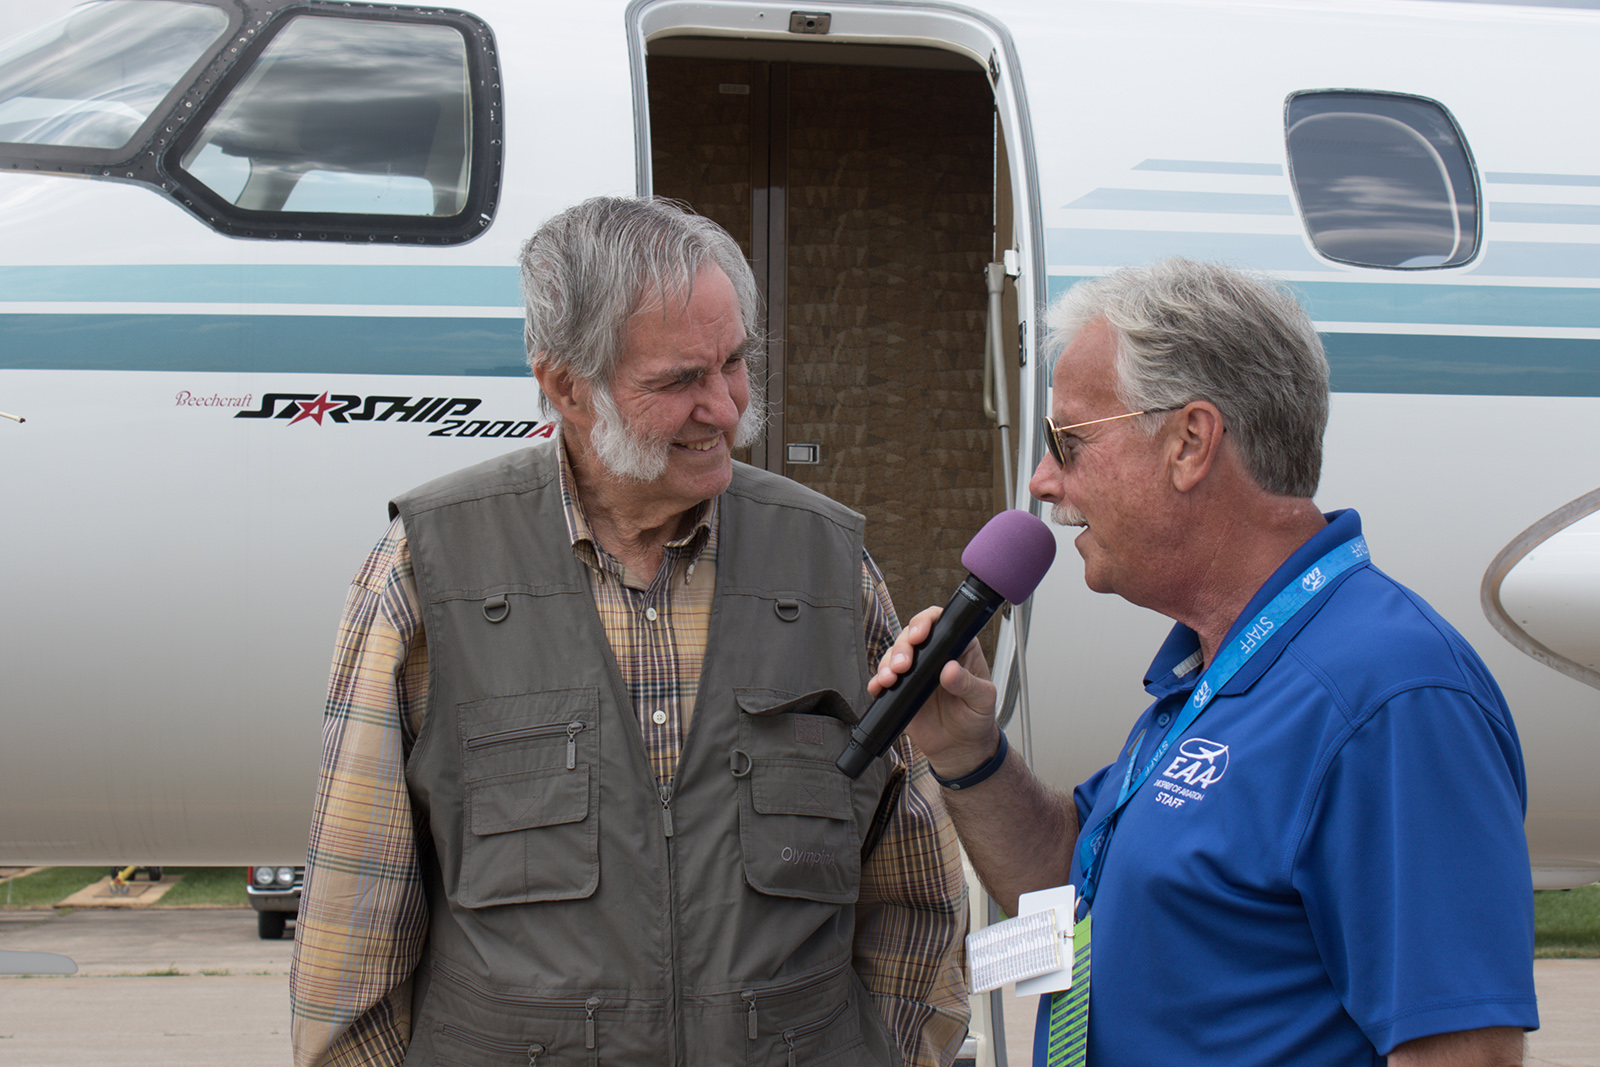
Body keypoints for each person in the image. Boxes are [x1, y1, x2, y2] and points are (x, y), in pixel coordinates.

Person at [290, 196, 969, 1067]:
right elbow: (353, 935)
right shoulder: (425, 575)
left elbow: (915, 896)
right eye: (681, 380)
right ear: (567, 386)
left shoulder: (832, 569)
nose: (724, 407)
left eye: (735, 363)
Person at [872, 259, 1538, 1066]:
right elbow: (1072, 890)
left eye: (1069, 441)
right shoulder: (1213, 670)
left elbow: (1466, 1051)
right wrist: (968, 749)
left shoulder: (1390, 695)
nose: (1045, 483)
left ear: (1190, 441)